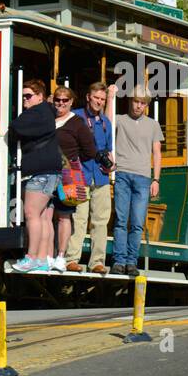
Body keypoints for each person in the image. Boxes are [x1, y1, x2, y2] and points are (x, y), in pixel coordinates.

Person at [7, 79, 63, 273]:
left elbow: (16, 126)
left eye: (28, 96)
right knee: (45, 218)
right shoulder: (47, 113)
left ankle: (31, 258)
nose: (25, 100)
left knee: (31, 214)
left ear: (40, 96)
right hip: (51, 173)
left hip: (41, 172)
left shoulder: (38, 112)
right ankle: (44, 259)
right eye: (23, 96)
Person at [108, 83, 163, 276]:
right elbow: (107, 122)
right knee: (122, 220)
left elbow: (157, 153)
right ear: (130, 102)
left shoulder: (153, 125)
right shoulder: (120, 120)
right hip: (122, 174)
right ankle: (118, 261)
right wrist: (110, 97)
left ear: (146, 105)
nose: (138, 106)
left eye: (142, 103)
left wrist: (156, 179)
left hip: (143, 178)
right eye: (136, 101)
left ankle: (132, 262)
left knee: (137, 222)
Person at [67, 81, 114, 274]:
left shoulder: (106, 122)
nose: (99, 102)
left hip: (101, 177)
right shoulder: (76, 117)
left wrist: (110, 164)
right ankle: (71, 259)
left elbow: (108, 150)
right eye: (96, 98)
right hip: (79, 174)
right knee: (78, 218)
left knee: (101, 221)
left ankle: (97, 262)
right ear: (88, 97)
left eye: (103, 99)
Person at [50, 86, 95, 272]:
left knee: (64, 217)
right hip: (44, 173)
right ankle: (45, 256)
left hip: (68, 176)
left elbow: (90, 151)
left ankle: (61, 257)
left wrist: (72, 161)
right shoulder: (47, 120)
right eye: (57, 100)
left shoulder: (77, 123)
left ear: (71, 102)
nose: (61, 103)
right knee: (45, 217)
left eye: (65, 100)